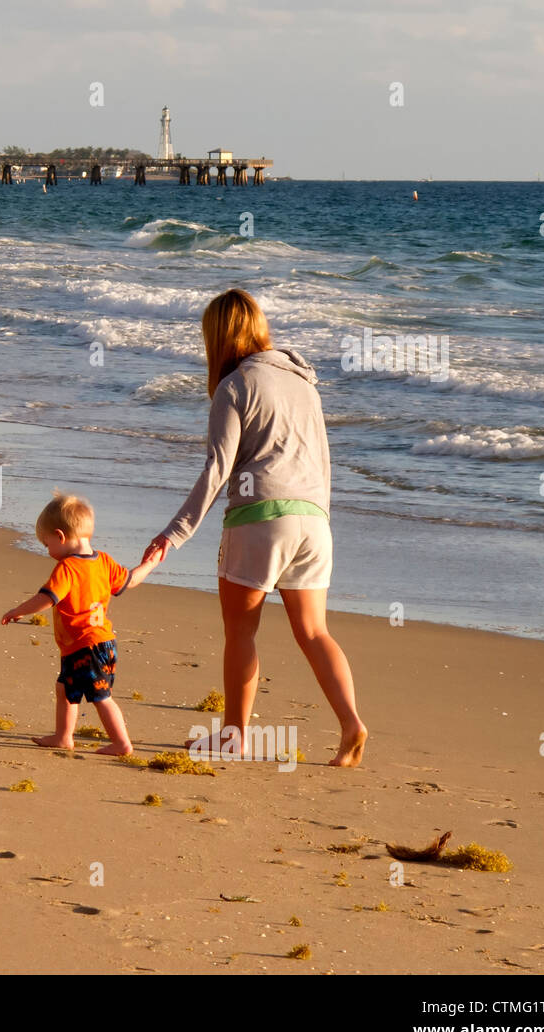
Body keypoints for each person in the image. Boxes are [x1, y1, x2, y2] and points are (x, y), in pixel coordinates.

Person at [142, 289, 367, 767]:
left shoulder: (235, 386)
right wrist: (316, 518)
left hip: (259, 520)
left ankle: (234, 737)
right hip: (314, 521)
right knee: (314, 631)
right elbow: (322, 460)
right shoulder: (304, 383)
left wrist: (173, 534)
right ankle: (350, 722)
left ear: (218, 336)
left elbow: (217, 469)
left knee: (240, 633)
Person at [2, 493, 159, 755]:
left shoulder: (68, 568)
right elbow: (130, 580)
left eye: (46, 543)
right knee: (65, 688)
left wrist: (18, 611)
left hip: (85, 647)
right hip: (102, 644)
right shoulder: (104, 561)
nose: (48, 550)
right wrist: (149, 564)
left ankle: (122, 743)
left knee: (101, 697)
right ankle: (64, 737)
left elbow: (47, 598)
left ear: (60, 536)